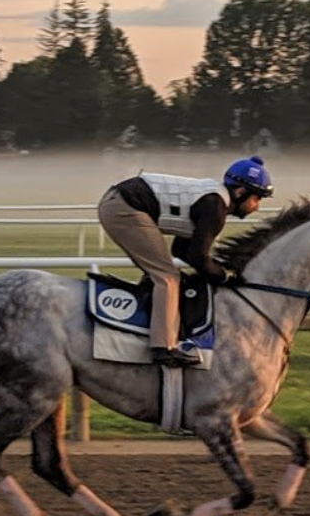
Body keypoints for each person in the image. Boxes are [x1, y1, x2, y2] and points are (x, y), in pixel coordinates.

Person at [97, 156, 274, 367]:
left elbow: (182, 250)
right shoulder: (214, 208)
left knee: (166, 275)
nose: (257, 207)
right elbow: (198, 257)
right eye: (257, 198)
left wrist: (216, 269)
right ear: (240, 192)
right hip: (125, 207)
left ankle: (146, 322)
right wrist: (223, 275)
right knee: (167, 278)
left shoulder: (212, 200)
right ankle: (164, 348)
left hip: (120, 202)